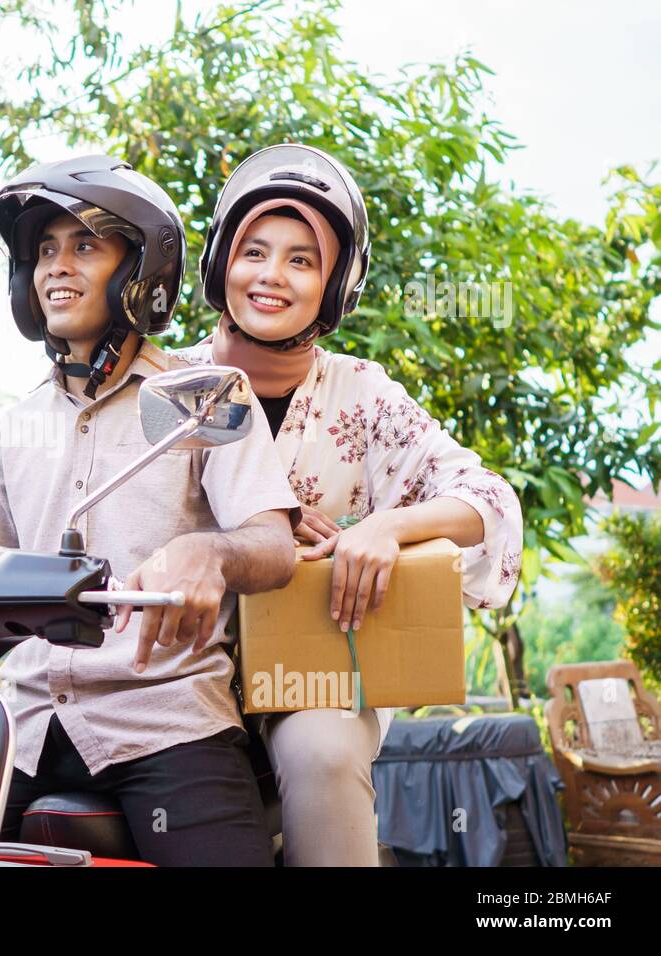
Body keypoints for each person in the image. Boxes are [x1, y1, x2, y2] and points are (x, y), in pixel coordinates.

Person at [178, 143, 524, 865]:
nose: (272, 276)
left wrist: (386, 527)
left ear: (336, 284)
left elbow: (489, 500)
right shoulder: (166, 386)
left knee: (324, 751)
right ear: (221, 265)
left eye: (302, 260)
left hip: (317, 667)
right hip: (174, 674)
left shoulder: (362, 393)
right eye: (255, 252)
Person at [0, 154, 303, 866]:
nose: (58, 266)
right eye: (44, 250)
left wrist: (212, 552)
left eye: (85, 246)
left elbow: (274, 546)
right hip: (25, 727)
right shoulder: (16, 426)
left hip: (163, 717)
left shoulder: (207, 396)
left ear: (138, 271)